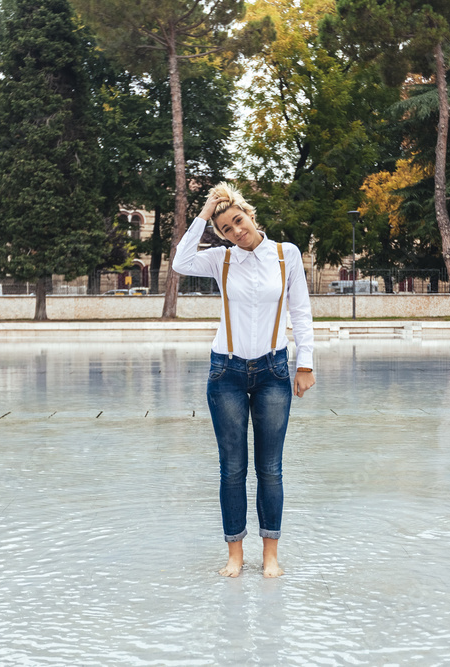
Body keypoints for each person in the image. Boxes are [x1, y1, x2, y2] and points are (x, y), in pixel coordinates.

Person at [172, 182, 315, 578]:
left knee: (270, 468)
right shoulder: (221, 259)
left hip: (273, 371)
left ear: (251, 215)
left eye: (239, 221)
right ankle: (235, 555)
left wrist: (306, 364)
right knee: (231, 469)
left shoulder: (287, 256)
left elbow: (301, 313)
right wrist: (204, 214)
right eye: (227, 229)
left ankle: (270, 554)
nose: (237, 231)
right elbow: (180, 263)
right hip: (227, 372)